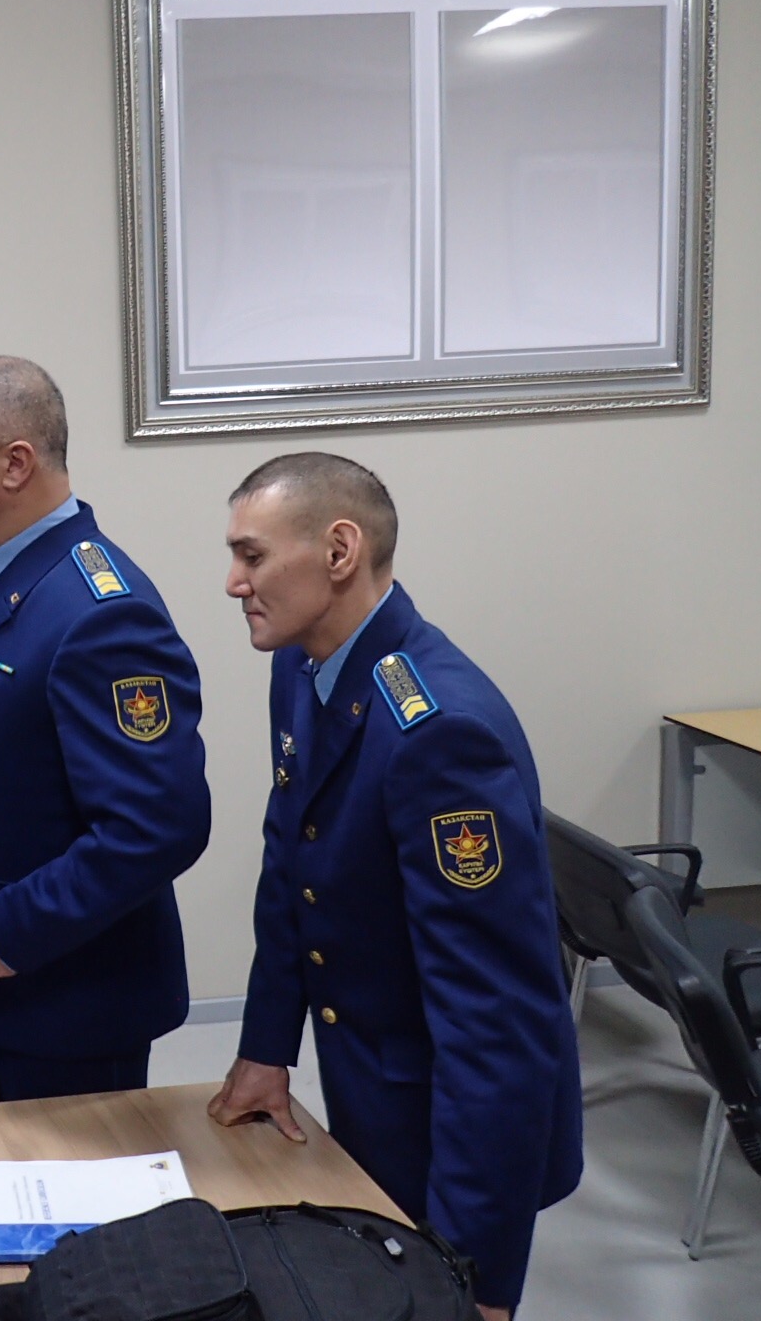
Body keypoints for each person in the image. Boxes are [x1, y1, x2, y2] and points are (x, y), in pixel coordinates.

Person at [207, 452, 582, 1321]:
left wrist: (473, 1277)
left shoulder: (438, 734)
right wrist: (267, 1044)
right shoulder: (305, 666)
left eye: (252, 556)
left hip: (444, 1120)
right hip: (368, 1086)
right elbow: (290, 864)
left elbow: (499, 1023)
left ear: (339, 551)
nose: (233, 583)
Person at [0, 355, 210, 1107]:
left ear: (15, 464)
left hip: (61, 999)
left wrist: (14, 926)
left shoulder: (99, 610)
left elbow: (160, 824)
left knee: (75, 1224)